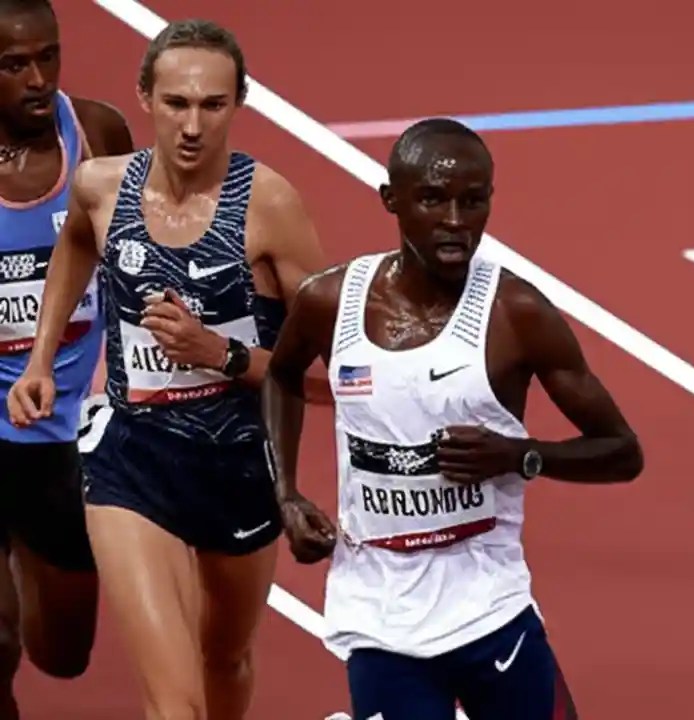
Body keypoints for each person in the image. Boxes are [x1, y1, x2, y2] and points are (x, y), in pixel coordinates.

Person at [262, 117, 643, 719]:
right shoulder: (329, 301)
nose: (456, 221)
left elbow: (622, 451)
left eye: (474, 200)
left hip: (490, 607)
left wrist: (519, 455)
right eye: (434, 199)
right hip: (380, 616)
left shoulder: (516, 314)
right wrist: (286, 493)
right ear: (391, 200)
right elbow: (281, 376)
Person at [6, 17, 327, 720]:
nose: (192, 126)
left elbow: (335, 378)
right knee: (174, 706)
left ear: (238, 103)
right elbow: (76, 245)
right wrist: (41, 360)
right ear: (145, 96)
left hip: (238, 470)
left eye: (213, 105)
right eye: (176, 103)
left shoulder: (269, 209)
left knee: (226, 659)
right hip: (132, 466)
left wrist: (222, 354)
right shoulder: (100, 185)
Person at [0, 0, 133, 714]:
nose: (38, 78)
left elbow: (139, 262)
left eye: (47, 56)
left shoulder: (99, 135)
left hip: (65, 437)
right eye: (13, 64)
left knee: (62, 654)